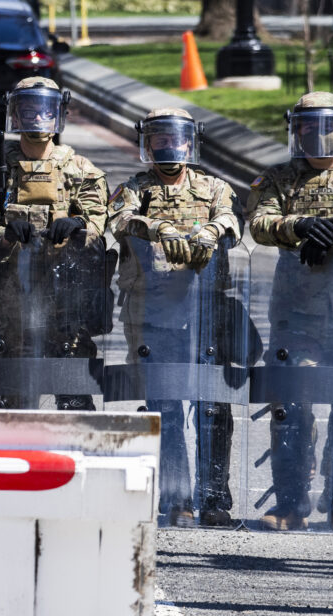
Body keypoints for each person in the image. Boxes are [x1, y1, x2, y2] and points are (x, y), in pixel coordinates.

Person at [107, 107, 242, 527]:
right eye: (159, 139)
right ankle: (176, 497)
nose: (168, 147)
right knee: (165, 403)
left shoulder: (213, 186)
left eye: (176, 139)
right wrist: (155, 227)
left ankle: (215, 498)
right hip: (152, 306)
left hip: (205, 307)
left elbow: (231, 219)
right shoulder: (134, 188)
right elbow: (119, 220)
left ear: (190, 142)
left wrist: (212, 231)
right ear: (148, 143)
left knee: (213, 403)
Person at [248, 91, 333, 532]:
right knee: (290, 405)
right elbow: (257, 223)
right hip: (296, 312)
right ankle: (292, 502)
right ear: (295, 130)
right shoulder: (280, 177)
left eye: (325, 126)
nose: (316, 135)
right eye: (306, 127)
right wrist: (296, 226)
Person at [0, 76, 110, 411]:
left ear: (59, 115)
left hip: (69, 297)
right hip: (14, 299)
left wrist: (79, 225)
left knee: (73, 395)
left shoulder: (81, 170)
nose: (37, 119)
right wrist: (5, 236)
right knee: (16, 398)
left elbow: (97, 219)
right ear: (14, 115)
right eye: (28, 111)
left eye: (45, 112)